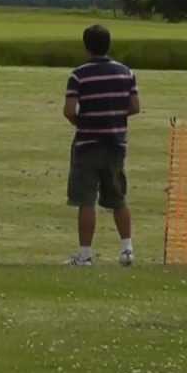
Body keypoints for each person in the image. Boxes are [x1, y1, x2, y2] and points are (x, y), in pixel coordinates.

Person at [62, 24, 141, 267]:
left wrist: (83, 122)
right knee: (118, 197)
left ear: (86, 46)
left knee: (86, 199)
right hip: (115, 143)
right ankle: (127, 249)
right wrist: (115, 117)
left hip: (87, 144)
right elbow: (135, 106)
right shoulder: (126, 72)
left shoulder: (79, 75)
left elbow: (69, 111)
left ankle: (85, 254)